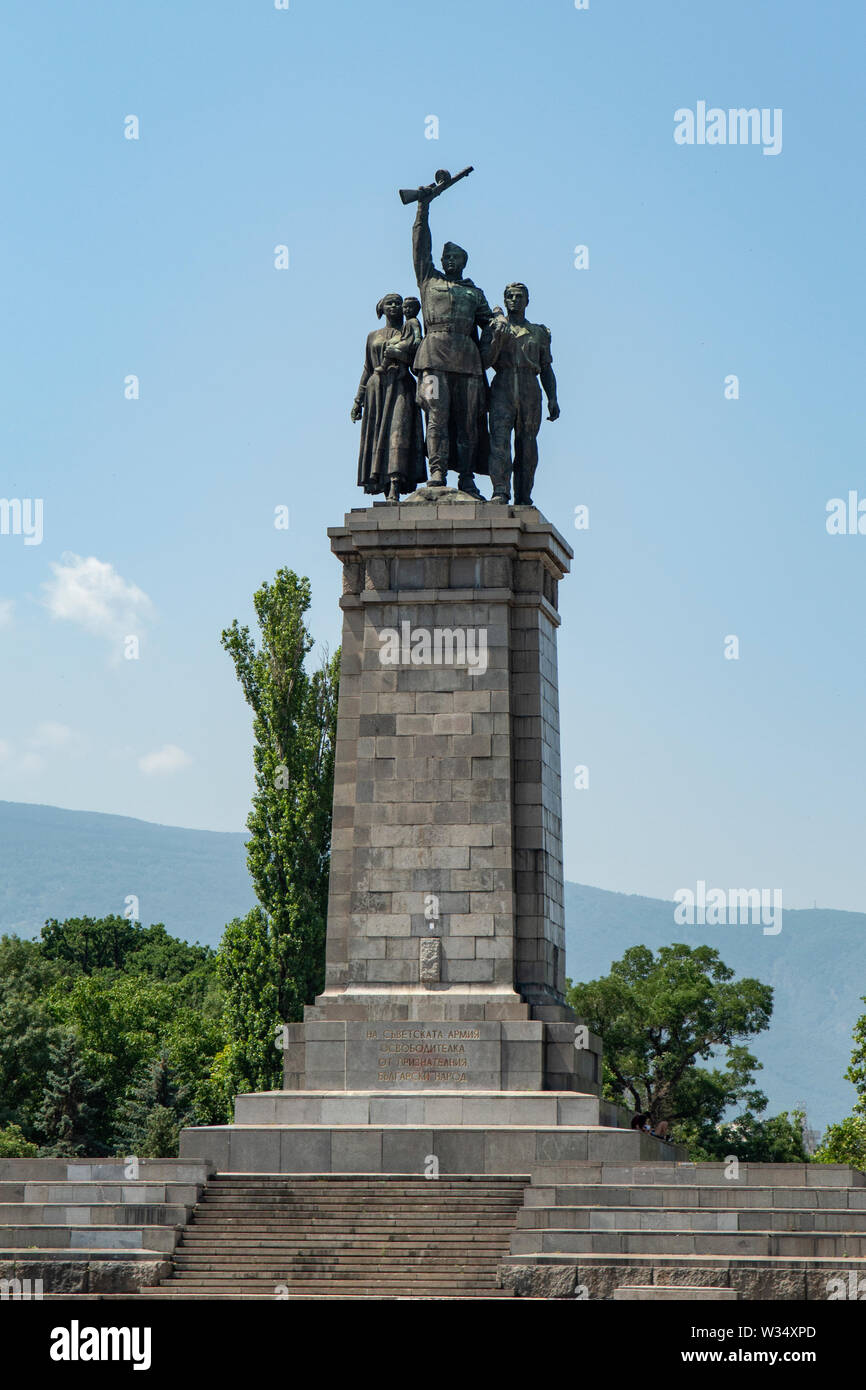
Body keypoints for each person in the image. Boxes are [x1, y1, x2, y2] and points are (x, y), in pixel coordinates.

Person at [410, 188, 505, 495]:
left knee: (468, 422)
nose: (449, 260)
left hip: (467, 363)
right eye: (445, 256)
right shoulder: (429, 280)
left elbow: (488, 321)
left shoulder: (473, 293)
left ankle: (466, 476)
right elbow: (420, 247)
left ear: (464, 261)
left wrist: (499, 316)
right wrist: (422, 209)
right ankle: (437, 471)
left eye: (455, 257)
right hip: (433, 360)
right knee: (436, 416)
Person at [482, 282, 560, 505]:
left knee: (527, 444)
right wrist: (497, 337)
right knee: (499, 441)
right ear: (505, 301)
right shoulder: (494, 327)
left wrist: (553, 397)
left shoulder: (539, 332)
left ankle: (524, 495)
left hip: (530, 387)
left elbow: (546, 368)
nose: (514, 300)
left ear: (527, 301)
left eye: (519, 297)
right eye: (510, 297)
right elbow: (485, 361)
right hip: (503, 384)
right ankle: (500, 490)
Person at [351, 292, 426, 502]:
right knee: (378, 437)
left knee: (398, 433)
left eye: (398, 303)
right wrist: (358, 400)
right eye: (389, 303)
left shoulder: (410, 329)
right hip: (376, 389)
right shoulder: (372, 336)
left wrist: (399, 356)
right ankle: (383, 484)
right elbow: (367, 368)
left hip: (401, 384)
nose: (394, 306)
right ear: (381, 308)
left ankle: (395, 483)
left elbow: (418, 362)